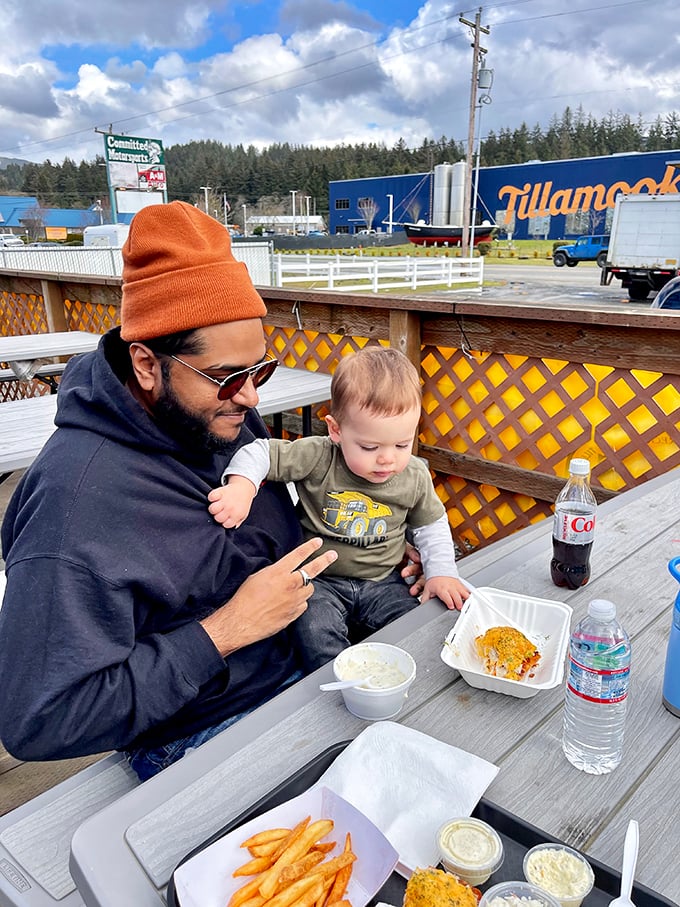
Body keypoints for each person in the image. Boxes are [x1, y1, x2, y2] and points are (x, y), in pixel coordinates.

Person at [0, 201, 343, 781]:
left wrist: (363, 541)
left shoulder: (219, 418)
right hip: (203, 727)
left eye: (260, 370)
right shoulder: (76, 505)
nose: (253, 398)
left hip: (308, 656)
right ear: (145, 364)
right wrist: (227, 630)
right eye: (230, 377)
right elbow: (38, 717)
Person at [208, 346, 470, 672]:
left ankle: (397, 681)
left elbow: (431, 525)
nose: (388, 458)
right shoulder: (319, 456)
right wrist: (241, 487)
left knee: (416, 628)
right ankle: (341, 682)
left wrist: (441, 572)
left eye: (402, 444)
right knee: (314, 632)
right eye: (370, 446)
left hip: (383, 580)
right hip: (320, 581)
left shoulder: (413, 474)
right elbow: (261, 451)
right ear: (336, 430)